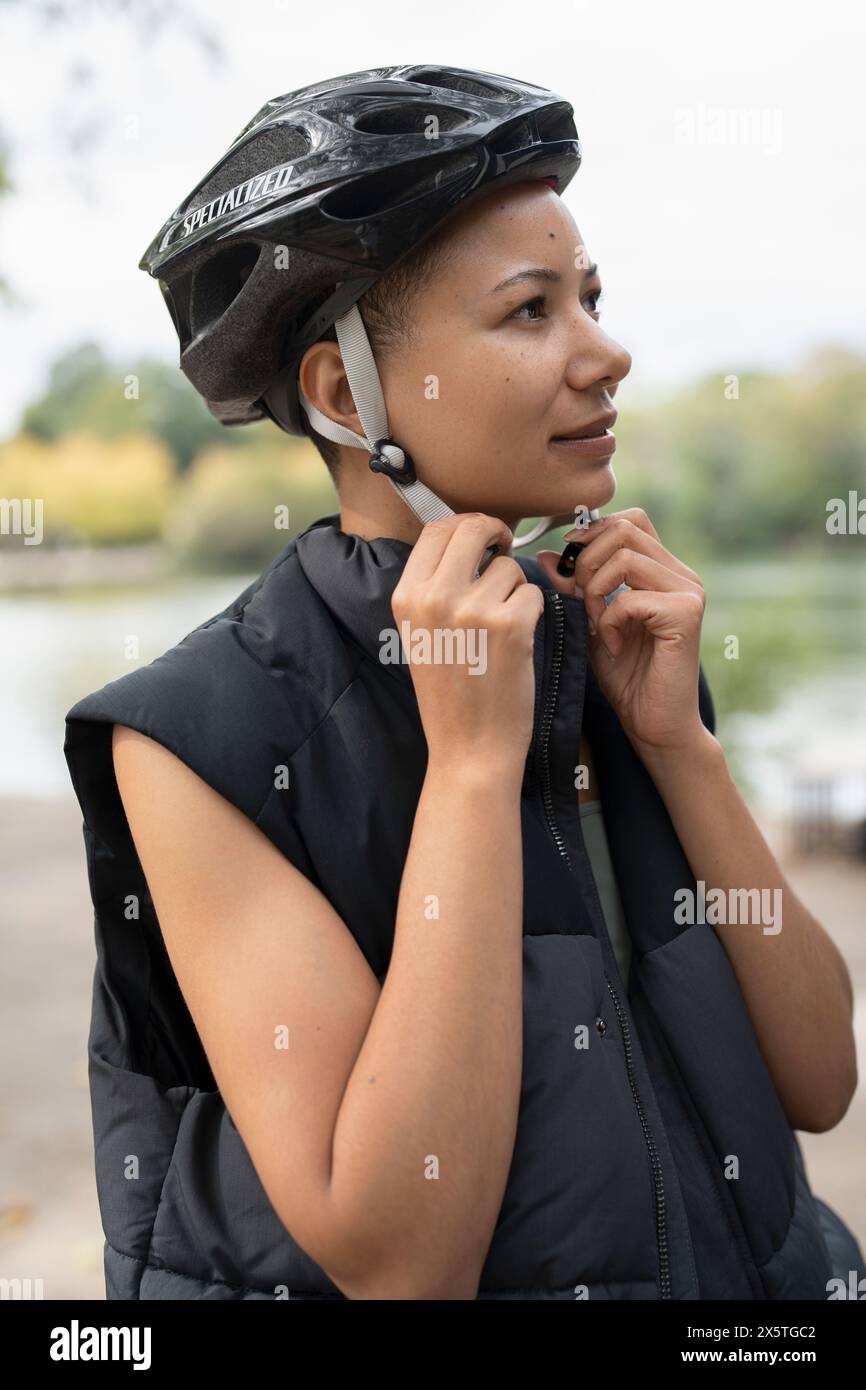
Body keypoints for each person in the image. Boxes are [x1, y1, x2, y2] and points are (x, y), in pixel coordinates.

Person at [64, 64, 863, 1301]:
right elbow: (402, 1259)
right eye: (529, 312)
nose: (607, 353)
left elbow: (818, 1079)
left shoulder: (606, 641)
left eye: (589, 297)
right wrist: (474, 771)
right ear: (348, 396)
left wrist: (680, 749)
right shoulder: (197, 734)